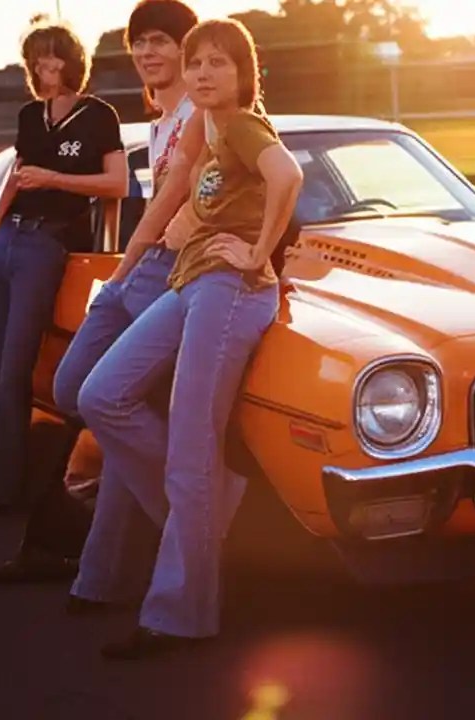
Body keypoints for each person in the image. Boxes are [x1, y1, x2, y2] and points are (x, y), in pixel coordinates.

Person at [69, 17, 303, 660]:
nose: (201, 74)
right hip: (190, 281)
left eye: (216, 64)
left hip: (231, 292)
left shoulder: (248, 125)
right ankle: (213, 499)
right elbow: (180, 193)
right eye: (195, 62)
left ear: (243, 74)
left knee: (189, 443)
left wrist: (259, 253)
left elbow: (288, 178)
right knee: (102, 395)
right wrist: (130, 264)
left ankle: (180, 615)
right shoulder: (207, 125)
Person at [0, 0, 204, 582]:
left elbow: (213, 198)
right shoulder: (159, 121)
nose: (147, 53)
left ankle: (111, 560)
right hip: (134, 270)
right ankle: (108, 549)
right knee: (73, 391)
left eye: (160, 41)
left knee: (103, 402)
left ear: (188, 47)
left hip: (171, 275)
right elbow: (155, 205)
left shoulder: (206, 113)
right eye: (140, 43)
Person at [0, 16, 128, 519]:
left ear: (73, 61)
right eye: (37, 57)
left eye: (53, 55)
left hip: (48, 246)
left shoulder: (99, 115)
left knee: (14, 371)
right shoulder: (30, 116)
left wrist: (53, 177)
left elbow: (116, 185)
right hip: (9, 240)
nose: (44, 64)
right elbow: (15, 178)